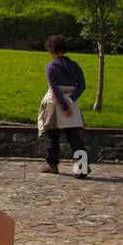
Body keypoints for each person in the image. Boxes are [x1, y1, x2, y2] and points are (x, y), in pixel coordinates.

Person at [38, 34, 88, 177]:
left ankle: (52, 164)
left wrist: (63, 107)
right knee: (75, 138)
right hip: (71, 102)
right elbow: (82, 85)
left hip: (54, 103)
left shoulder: (51, 67)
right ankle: (82, 166)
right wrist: (70, 101)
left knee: (52, 135)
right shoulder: (75, 66)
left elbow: (54, 89)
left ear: (51, 50)